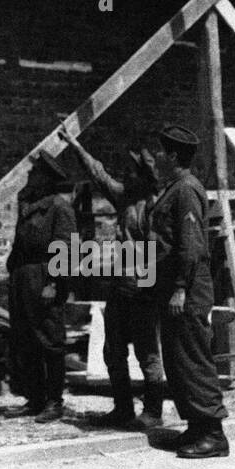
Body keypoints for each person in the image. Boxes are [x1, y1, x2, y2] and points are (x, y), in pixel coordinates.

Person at [61, 129, 166, 429]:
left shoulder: (153, 206)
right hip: (120, 285)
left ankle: (153, 412)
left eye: (131, 171)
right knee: (113, 351)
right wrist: (75, 144)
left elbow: (158, 252)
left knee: (147, 353)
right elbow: (98, 174)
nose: (125, 175)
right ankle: (123, 408)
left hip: (142, 285)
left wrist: (150, 288)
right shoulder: (125, 198)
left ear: (143, 174)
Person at [149, 123, 229, 458]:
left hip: (188, 289)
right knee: (178, 361)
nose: (155, 157)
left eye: (160, 152)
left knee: (193, 359)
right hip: (172, 287)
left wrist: (180, 288)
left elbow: (192, 246)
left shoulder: (186, 190)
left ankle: (213, 434)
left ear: (173, 155)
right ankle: (196, 428)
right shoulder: (174, 188)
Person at [6, 150, 77, 422]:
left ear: (45, 179)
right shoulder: (27, 203)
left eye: (34, 173)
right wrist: (13, 272)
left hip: (45, 276)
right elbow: (18, 242)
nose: (29, 176)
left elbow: (66, 250)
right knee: (25, 340)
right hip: (23, 277)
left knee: (49, 341)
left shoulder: (59, 207)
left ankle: (54, 401)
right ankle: (34, 398)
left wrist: (54, 284)